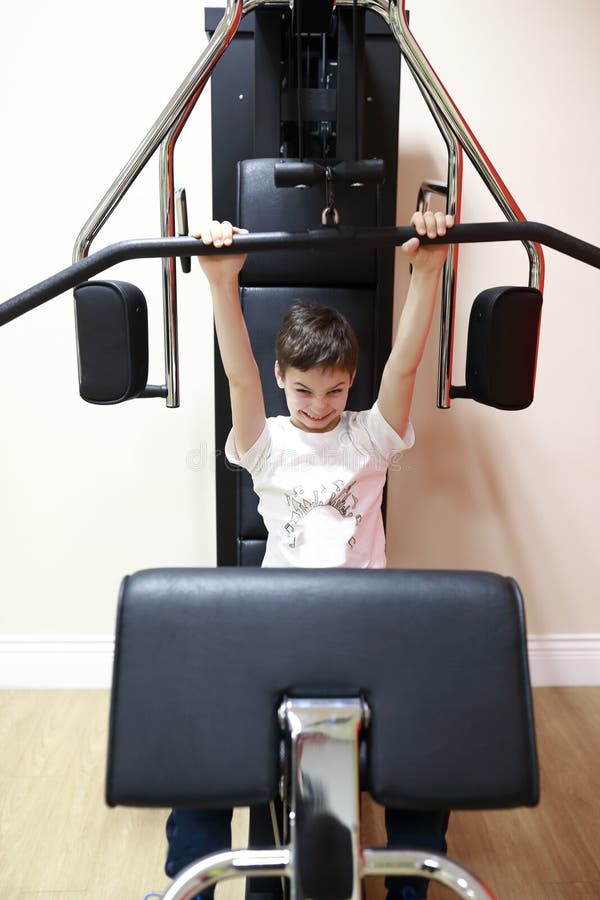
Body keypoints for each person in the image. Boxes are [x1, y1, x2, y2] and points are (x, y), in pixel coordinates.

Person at [165, 210, 454, 900]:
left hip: (370, 630)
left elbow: (406, 363)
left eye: (334, 390)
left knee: (434, 735)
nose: (319, 405)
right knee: (200, 738)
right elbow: (238, 379)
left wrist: (428, 272)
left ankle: (410, 888)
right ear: (281, 378)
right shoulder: (263, 442)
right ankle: (190, 885)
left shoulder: (370, 437)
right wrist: (219, 282)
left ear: (350, 381)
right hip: (281, 633)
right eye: (301, 389)